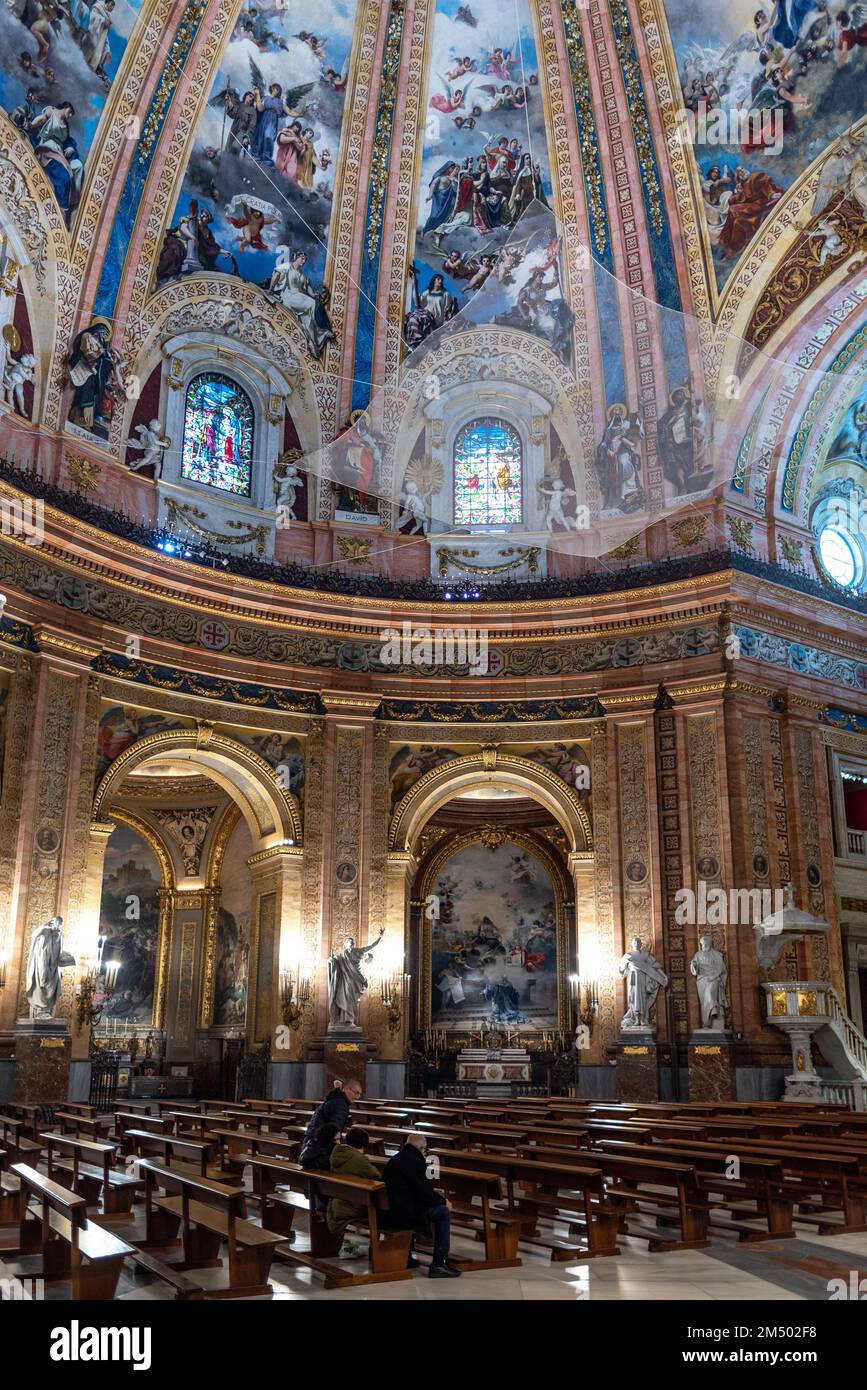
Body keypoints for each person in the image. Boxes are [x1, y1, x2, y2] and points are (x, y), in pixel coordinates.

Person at [382, 1132, 460, 1278]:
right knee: (443, 1211)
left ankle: (408, 1256)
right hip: (403, 1214)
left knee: (422, 1206)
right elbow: (425, 1193)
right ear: (422, 1149)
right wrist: (444, 1201)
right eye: (425, 1150)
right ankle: (438, 1263)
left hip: (390, 1210)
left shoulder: (396, 1158)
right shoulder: (415, 1162)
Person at [326, 1127, 381, 1258]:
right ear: (364, 1144)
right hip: (350, 1206)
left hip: (336, 1202)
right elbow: (377, 1176)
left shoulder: (337, 1153)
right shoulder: (358, 1159)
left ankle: (356, 1248)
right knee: (380, 1206)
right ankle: (377, 1251)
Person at [302, 1078, 361, 1143]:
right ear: (346, 1089)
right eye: (356, 1093)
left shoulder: (335, 1098)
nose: (357, 1097)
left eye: (359, 1094)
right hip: (319, 1144)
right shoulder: (339, 1105)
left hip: (312, 1140)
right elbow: (334, 1132)